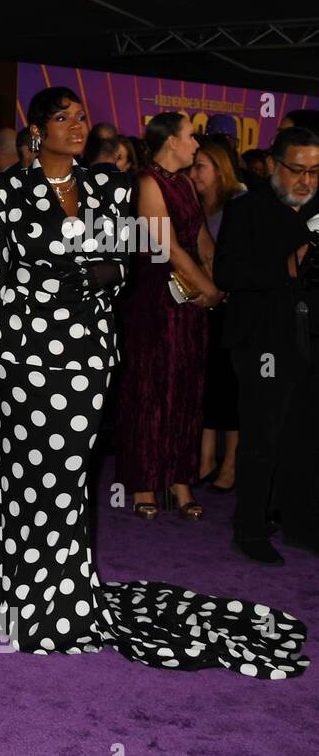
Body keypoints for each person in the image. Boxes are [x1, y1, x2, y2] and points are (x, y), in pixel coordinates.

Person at [0, 86, 309, 678]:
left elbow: (122, 265)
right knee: (23, 474)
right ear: (37, 131)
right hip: (26, 354)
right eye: (64, 118)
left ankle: (62, 604)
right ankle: (14, 597)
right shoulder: (4, 190)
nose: (78, 125)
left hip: (90, 352)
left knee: (70, 479)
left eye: (81, 116)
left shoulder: (104, 187)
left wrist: (78, 274)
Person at [214, 125, 319, 565]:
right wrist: (287, 267)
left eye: (315, 172)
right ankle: (249, 528)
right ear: (274, 165)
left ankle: (299, 524)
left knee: (306, 434)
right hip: (261, 341)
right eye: (297, 170)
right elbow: (227, 275)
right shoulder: (246, 210)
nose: (306, 181)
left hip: (310, 337)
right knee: (262, 436)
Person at [116, 112, 223, 520]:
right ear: (171, 142)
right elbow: (167, 248)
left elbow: (200, 237)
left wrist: (216, 277)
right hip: (157, 303)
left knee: (186, 389)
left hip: (190, 305)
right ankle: (145, 482)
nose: (196, 144)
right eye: (191, 136)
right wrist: (207, 288)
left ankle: (179, 479)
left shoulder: (183, 183)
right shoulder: (148, 182)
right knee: (151, 388)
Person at [189, 137, 247, 493]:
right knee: (208, 387)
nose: (193, 174)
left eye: (201, 167)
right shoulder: (200, 206)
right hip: (204, 308)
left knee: (230, 390)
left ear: (220, 170)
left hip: (234, 309)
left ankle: (231, 463)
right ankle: (206, 457)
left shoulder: (238, 205)